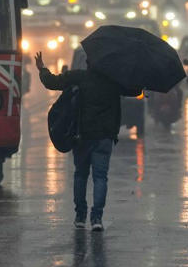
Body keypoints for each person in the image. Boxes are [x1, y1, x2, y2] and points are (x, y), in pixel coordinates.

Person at [35, 51, 141, 231]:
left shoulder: (79, 77)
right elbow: (135, 90)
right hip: (105, 137)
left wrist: (42, 68)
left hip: (82, 137)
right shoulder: (113, 82)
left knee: (81, 175)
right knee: (100, 177)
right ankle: (97, 218)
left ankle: (80, 216)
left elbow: (52, 82)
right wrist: (136, 72)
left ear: (88, 63)